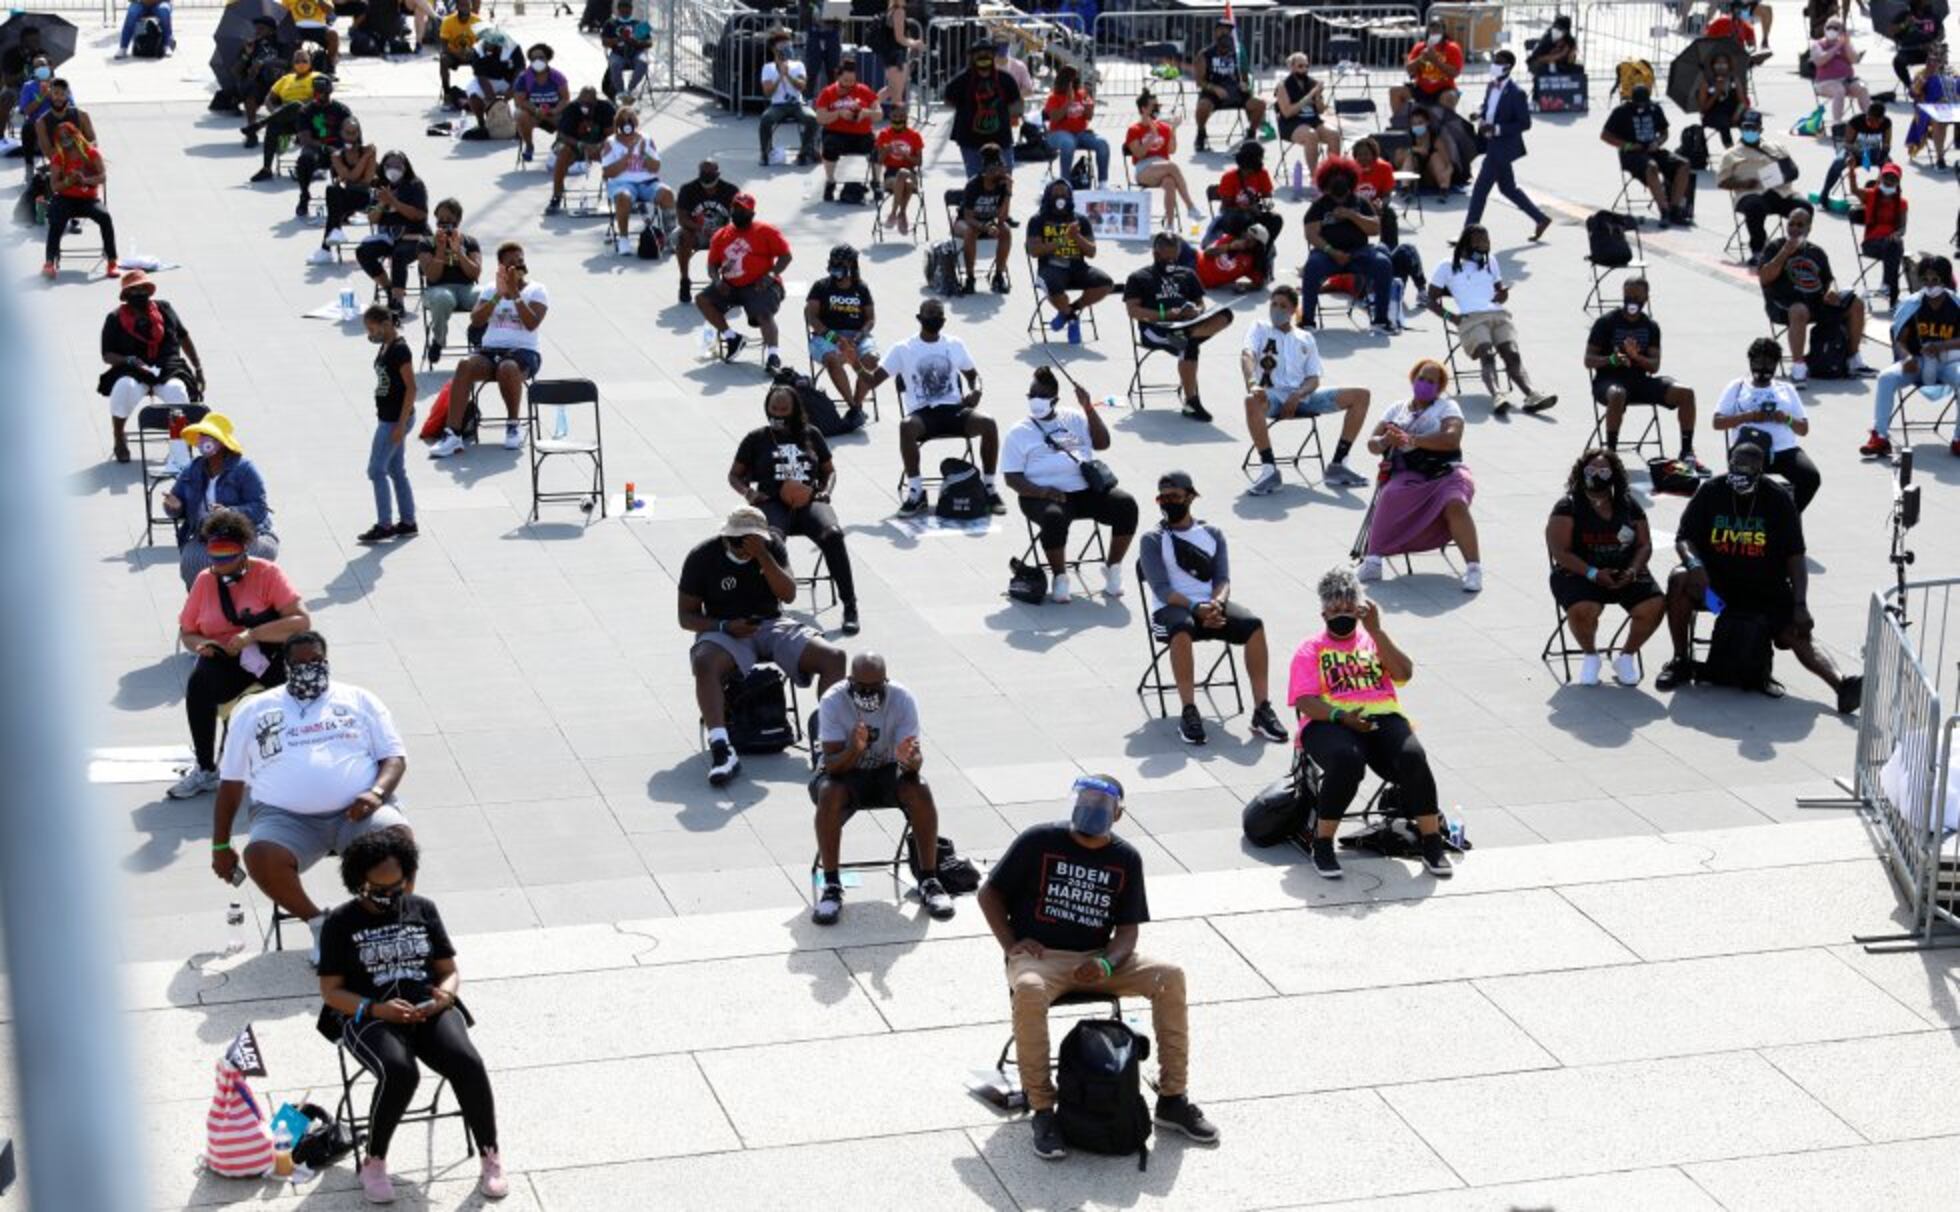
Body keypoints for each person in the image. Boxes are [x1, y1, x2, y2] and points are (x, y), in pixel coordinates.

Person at [977, 775, 1219, 1160]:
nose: (1089, 808)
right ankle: (1043, 1109)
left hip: (1098, 957)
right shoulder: (1039, 840)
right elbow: (989, 892)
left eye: (1100, 803)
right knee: (1029, 990)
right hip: (1041, 957)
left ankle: (1173, 1098)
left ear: (1118, 814)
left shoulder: (1125, 858)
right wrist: (1010, 946)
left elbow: (1127, 933)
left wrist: (1106, 963)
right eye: (1083, 799)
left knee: (1169, 976)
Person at [314, 831, 508, 1203]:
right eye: (378, 890)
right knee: (401, 1071)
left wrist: (445, 995)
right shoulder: (341, 922)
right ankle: (373, 1161)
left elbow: (448, 969)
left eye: (397, 887)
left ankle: (490, 1154)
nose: (389, 897)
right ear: (359, 884)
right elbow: (331, 992)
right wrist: (377, 1009)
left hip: (426, 1006)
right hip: (366, 1013)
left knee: (467, 1061)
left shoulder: (423, 908)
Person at [1656, 432, 1864, 713]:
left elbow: (1795, 556)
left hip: (1764, 597)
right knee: (1679, 578)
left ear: (1761, 469)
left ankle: (1843, 686)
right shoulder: (1712, 491)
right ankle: (1681, 660)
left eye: (1747, 468)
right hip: (1719, 599)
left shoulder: (1778, 499)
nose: (1739, 473)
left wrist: (1801, 604)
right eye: (1735, 465)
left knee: (1795, 632)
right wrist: (1694, 564)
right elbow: (1684, 537)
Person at [1290, 566, 1455, 880]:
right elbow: (1304, 701)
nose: (1342, 615)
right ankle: (1322, 843)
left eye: (1349, 609)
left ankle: (1432, 842)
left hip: (1383, 718)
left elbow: (1404, 674)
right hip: (1330, 722)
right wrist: (1342, 717)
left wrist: (1377, 631)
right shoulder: (1310, 649)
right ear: (1323, 612)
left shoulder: (1372, 641)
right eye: (1335, 610)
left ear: (1360, 609)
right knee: (1347, 760)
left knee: (1412, 758)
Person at [678, 507, 846, 786]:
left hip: (771, 624)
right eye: (739, 542)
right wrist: (724, 626)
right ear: (726, 538)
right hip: (726, 628)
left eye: (751, 542)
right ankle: (722, 748)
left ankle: (826, 739)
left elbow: (789, 594)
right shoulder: (702, 557)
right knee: (704, 662)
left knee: (834, 657)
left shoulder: (770, 548)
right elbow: (686, 617)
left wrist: (763, 555)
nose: (744, 549)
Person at [1141, 472, 1291, 745]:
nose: (1168, 503)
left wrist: (1217, 604)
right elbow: (1161, 589)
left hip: (1210, 606)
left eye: (1174, 496)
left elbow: (1222, 579)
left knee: (1254, 625)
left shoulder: (1212, 534)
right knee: (1182, 627)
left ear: (1190, 496)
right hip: (1171, 609)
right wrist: (1196, 607)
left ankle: (1262, 709)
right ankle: (1189, 711)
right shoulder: (1152, 539)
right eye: (1162, 498)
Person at [168, 509, 307, 799]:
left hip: (269, 659)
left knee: (283, 704)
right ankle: (206, 768)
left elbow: (301, 622)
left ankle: (290, 767)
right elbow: (187, 631)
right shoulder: (205, 581)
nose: (220, 563)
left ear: (244, 550)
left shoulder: (268, 574)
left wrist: (252, 635)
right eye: (214, 555)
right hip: (225, 659)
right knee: (198, 685)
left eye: (227, 555)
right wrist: (200, 646)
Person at [809, 652, 952, 924]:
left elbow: (914, 760)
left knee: (920, 789)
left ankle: (930, 881)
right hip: (844, 773)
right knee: (829, 793)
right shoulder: (832, 701)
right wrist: (855, 748)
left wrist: (911, 761)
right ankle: (831, 886)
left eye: (874, 688)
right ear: (849, 680)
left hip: (887, 771)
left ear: (885, 681)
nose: (867, 693)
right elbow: (832, 765)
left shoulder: (902, 699)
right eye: (861, 688)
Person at [729, 382, 861, 633]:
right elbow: (734, 475)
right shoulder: (756, 438)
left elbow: (829, 471)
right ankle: (769, 603)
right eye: (774, 408)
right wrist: (749, 492)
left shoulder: (811, 434)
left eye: (783, 409)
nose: (778, 414)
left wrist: (825, 492)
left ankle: (850, 605)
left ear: (794, 409)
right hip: (772, 501)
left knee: (833, 534)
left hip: (808, 501)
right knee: (770, 541)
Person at [1001, 369, 1136, 603]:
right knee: (1053, 518)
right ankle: (1060, 577)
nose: (1036, 400)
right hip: (1042, 496)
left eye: (1042, 396)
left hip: (1084, 491)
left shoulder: (1073, 418)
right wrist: (1043, 491)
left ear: (1055, 399)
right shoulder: (1018, 432)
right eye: (1032, 394)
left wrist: (1088, 408)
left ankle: (1113, 568)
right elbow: (1011, 478)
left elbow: (1103, 443)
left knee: (1126, 504)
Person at [865, 299, 1005, 516]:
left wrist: (976, 391)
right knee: (906, 426)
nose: (934, 319)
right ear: (919, 318)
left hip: (954, 410)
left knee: (989, 423)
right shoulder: (903, 349)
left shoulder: (954, 344)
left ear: (944, 321)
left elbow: (973, 376)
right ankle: (916, 492)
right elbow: (872, 381)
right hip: (924, 415)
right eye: (930, 314)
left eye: (938, 315)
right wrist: (855, 364)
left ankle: (989, 488)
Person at [1358, 360, 1483, 593]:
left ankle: (1474, 569)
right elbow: (1372, 444)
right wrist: (1387, 440)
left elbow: (1451, 438)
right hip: (1409, 472)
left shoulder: (1447, 408)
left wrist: (1412, 440)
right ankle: (1373, 560)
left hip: (1445, 471)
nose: (1424, 384)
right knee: (1389, 495)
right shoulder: (1397, 409)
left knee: (1455, 503)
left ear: (1439, 387)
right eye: (1421, 378)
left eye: (1431, 381)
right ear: (1413, 379)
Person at [1546, 449, 1665, 686]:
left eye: (1603, 470)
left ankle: (1626, 656)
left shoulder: (1629, 505)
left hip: (1624, 572)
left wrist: (1631, 571)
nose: (1596, 474)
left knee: (1655, 605)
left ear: (1614, 475)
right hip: (1581, 573)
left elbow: (1644, 545)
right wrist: (1593, 573)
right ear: (1581, 472)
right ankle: (1591, 655)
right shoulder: (1568, 506)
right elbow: (1561, 552)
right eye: (1591, 469)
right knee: (1584, 610)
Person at [1242, 286, 1372, 494]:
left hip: (1303, 397)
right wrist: (1252, 382)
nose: (1276, 309)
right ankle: (1269, 470)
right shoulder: (1259, 327)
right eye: (1274, 304)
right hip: (1271, 397)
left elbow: (1313, 378)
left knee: (1361, 395)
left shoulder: (1305, 338)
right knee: (1251, 400)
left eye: (1283, 306)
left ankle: (1338, 465)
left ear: (1293, 310)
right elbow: (1247, 354)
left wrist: (1298, 394)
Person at [430, 242, 548, 457]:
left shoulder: (537, 290)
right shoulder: (490, 289)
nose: (518, 266)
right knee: (465, 365)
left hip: (524, 352)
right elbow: (476, 320)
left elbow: (532, 323)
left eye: (520, 261)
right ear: (502, 267)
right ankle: (452, 434)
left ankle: (513, 425)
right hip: (490, 350)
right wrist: (498, 296)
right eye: (511, 263)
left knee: (508, 368)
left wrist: (516, 296)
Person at [1428, 226, 1557, 414]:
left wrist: (1502, 294)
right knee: (1487, 354)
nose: (1484, 246)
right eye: (1479, 241)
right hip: (1471, 319)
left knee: (1512, 354)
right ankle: (1497, 395)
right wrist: (1452, 317)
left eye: (1486, 241)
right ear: (1466, 243)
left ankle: (1531, 395)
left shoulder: (1491, 262)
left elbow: (1500, 294)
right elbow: (1430, 300)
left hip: (1498, 315)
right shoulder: (1446, 266)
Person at [1585, 277, 1704, 466]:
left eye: (1636, 296)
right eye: (1628, 296)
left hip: (1639, 382)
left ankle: (1687, 451)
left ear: (1646, 298)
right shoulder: (1606, 322)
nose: (1631, 301)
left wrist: (1636, 357)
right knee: (1617, 393)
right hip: (1608, 383)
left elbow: (1654, 366)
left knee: (1686, 393)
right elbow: (1588, 360)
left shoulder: (1651, 326)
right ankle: (1611, 454)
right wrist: (1612, 360)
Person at [1123, 229, 1233, 422]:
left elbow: (1200, 303)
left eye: (1175, 259)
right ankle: (1192, 403)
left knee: (1225, 315)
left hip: (1186, 324)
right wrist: (1165, 314)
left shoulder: (1187, 274)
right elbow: (1133, 311)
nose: (1172, 263)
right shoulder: (1139, 277)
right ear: (1156, 254)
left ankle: (1188, 334)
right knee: (1189, 345)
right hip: (1156, 329)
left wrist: (1196, 312)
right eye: (1167, 260)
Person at [1758, 205, 1874, 384]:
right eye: (1792, 224)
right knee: (1799, 310)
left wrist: (1830, 293)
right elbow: (1764, 278)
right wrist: (1784, 253)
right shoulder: (1775, 247)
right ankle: (1798, 368)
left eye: (1800, 225)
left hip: (1816, 303)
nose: (1795, 229)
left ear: (1809, 228)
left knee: (1856, 304)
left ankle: (1853, 359)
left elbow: (1827, 281)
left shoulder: (1816, 252)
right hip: (1784, 305)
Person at [97, 270, 202, 463]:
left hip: (167, 367)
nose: (139, 294)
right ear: (126, 295)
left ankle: (179, 446)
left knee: (178, 391)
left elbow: (183, 336)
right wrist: (127, 360)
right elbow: (107, 355)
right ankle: (119, 437)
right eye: (134, 291)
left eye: (143, 289)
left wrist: (198, 368)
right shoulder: (114, 318)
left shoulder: (165, 309)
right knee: (124, 387)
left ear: (149, 291)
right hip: (133, 368)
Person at [165, 414, 279, 588]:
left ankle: (241, 604)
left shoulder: (244, 469)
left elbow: (259, 508)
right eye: (201, 436)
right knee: (192, 562)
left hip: (246, 534)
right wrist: (174, 507)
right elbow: (176, 503)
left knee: (230, 562)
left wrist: (229, 514)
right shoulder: (192, 469)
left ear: (222, 442)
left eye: (209, 437)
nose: (203, 441)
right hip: (207, 535)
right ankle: (203, 605)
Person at [1866, 255, 1960, 458]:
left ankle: (1958, 439)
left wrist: (1942, 346)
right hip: (1917, 362)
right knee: (1886, 378)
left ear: (1944, 280)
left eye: (1935, 280)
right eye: (1925, 279)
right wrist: (1907, 357)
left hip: (1948, 362)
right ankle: (1879, 437)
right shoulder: (1912, 304)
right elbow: (1899, 340)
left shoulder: (1956, 305)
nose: (1929, 284)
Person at [1713, 337, 1819, 510]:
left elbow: (1804, 429)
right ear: (1751, 361)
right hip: (1748, 450)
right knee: (1750, 486)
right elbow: (1717, 423)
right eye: (1758, 361)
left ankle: (1790, 515)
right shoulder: (1737, 386)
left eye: (1769, 362)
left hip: (1784, 450)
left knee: (1811, 477)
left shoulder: (1786, 389)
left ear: (1776, 364)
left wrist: (1786, 418)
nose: (1763, 367)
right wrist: (1748, 416)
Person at [1299, 155, 1396, 334]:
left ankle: (1381, 320)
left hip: (1359, 252)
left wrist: (1352, 215)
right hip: (1328, 254)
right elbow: (1310, 233)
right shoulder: (1319, 206)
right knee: (1312, 266)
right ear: (1326, 183)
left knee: (1383, 263)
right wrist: (1331, 251)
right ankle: (1307, 321)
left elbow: (1375, 229)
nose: (1339, 181)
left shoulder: (1360, 202)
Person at [697, 191, 791, 370]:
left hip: (760, 284)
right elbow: (712, 266)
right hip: (730, 285)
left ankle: (773, 356)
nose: (738, 213)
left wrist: (770, 276)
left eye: (743, 210)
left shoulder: (766, 231)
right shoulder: (721, 235)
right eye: (736, 209)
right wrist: (717, 281)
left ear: (752, 214)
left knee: (764, 314)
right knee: (702, 300)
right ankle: (732, 337)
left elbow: (786, 256)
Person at [1465, 50, 1552, 238]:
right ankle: (1541, 218)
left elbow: (1524, 123)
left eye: (1499, 61)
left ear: (1508, 67)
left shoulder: (1517, 93)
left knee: (1480, 190)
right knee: (1507, 189)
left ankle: (1468, 233)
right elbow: (1489, 107)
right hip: (1491, 144)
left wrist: (1497, 129)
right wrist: (1479, 115)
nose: (1494, 64)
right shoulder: (1491, 86)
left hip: (1502, 147)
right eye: (1494, 60)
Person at [359, 305, 418, 543]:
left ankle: (384, 524)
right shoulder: (386, 347)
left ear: (385, 325)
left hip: (394, 420)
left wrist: (401, 426)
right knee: (395, 469)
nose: (369, 334)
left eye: (372, 329)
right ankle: (407, 521)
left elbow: (412, 388)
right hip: (390, 418)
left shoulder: (400, 350)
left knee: (376, 470)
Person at [1029, 179, 1113, 345]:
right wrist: (1063, 239)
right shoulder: (1038, 220)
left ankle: (1069, 311)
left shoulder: (1080, 220)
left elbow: (1091, 252)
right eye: (1056, 193)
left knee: (1106, 283)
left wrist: (1076, 237)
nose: (1060, 196)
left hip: (1077, 267)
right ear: (1048, 196)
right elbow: (1034, 251)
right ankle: (1073, 320)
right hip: (1050, 267)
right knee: (1054, 286)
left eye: (1064, 193)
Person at [1601, 81, 1693, 226]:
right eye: (1639, 104)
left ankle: (1675, 209)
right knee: (1651, 166)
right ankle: (1664, 211)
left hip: (1653, 149)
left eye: (1644, 103)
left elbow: (1664, 132)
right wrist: (1628, 145)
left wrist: (1658, 142)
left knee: (1684, 164)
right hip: (1632, 153)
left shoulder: (1655, 109)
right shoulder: (1621, 112)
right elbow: (1605, 136)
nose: (1642, 107)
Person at [1717, 110, 1802, 263]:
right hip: (1750, 193)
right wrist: (1743, 183)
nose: (1750, 131)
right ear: (1741, 129)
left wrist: (1784, 176)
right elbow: (1721, 182)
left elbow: (1793, 169)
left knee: (1803, 208)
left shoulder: (1776, 146)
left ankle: (1795, 246)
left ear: (1760, 130)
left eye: (1753, 128)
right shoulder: (1730, 154)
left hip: (1780, 191)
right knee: (1754, 207)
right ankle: (1759, 251)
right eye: (1746, 128)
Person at [1352, 136, 1428, 310]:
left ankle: (1422, 290)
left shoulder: (1384, 168)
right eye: (1360, 155)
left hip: (1378, 208)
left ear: (1374, 155)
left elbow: (1387, 194)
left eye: (1367, 154)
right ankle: (1372, 295)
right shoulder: (1350, 171)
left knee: (1391, 218)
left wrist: (1381, 205)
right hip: (1356, 214)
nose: (1364, 158)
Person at [805, 244, 878, 419]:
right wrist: (835, 338)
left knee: (872, 359)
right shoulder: (821, 287)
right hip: (826, 336)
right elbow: (812, 318)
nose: (835, 267)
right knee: (832, 359)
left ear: (851, 266)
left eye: (840, 264)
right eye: (833, 263)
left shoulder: (861, 288)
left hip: (856, 335)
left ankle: (858, 402)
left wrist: (859, 337)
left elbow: (870, 319)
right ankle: (853, 407)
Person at [354, 150, 428, 317]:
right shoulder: (379, 187)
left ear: (405, 167)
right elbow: (373, 218)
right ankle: (388, 289)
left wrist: (394, 201)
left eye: (397, 165)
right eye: (389, 165)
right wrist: (382, 202)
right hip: (388, 237)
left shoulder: (415, 185)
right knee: (363, 252)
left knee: (399, 254)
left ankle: (398, 301)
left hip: (413, 235)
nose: (393, 169)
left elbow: (419, 214)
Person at [41, 123, 116, 281]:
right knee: (56, 220)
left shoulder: (91, 153)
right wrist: (68, 182)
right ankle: (49, 262)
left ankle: (112, 261)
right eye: (61, 138)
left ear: (76, 134)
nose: (65, 140)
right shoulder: (58, 158)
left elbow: (103, 177)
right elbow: (55, 187)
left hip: (88, 199)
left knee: (105, 217)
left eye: (68, 135)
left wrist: (85, 180)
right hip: (65, 199)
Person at [600, 107, 678, 257]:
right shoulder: (610, 143)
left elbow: (656, 167)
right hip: (622, 184)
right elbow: (607, 172)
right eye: (623, 120)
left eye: (630, 119)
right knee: (624, 197)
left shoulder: (646, 139)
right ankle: (623, 239)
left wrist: (642, 154)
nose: (627, 123)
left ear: (635, 122)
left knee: (667, 193)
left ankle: (670, 237)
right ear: (618, 124)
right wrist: (626, 157)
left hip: (647, 183)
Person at [415, 198, 482, 364]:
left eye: (449, 220)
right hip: (437, 290)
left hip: (466, 288)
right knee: (443, 298)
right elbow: (432, 276)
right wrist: (439, 250)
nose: (444, 224)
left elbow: (474, 273)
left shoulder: (470, 242)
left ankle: (479, 335)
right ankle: (438, 341)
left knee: (485, 295)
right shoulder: (425, 243)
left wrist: (459, 252)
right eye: (440, 219)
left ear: (457, 221)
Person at [1124, 90, 1204, 225]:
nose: (1157, 109)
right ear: (1143, 109)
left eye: (1158, 106)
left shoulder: (1163, 127)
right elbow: (1138, 154)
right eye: (1153, 106)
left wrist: (1173, 130)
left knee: (1170, 182)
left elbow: (1171, 150)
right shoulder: (1134, 130)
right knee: (1172, 167)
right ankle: (1190, 206)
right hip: (1144, 169)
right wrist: (1152, 137)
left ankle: (1170, 225)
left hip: (1163, 166)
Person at [943, 43, 1020, 177]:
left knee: (1005, 177)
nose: (983, 56)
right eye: (978, 53)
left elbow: (1016, 101)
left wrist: (1015, 116)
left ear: (993, 56)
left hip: (1001, 139)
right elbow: (948, 99)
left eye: (987, 52)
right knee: (975, 179)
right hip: (970, 140)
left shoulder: (1005, 78)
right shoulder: (961, 80)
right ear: (972, 57)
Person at [243, 48, 323, 176]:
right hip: (288, 118)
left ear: (310, 62)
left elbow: (319, 98)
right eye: (297, 61)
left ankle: (259, 124)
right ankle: (266, 169)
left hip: (309, 118)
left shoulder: (317, 77)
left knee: (296, 105)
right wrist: (276, 111)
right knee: (273, 126)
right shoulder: (286, 79)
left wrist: (301, 104)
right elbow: (269, 98)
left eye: (304, 60)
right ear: (293, 64)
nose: (301, 63)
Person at [1190, 19, 1265, 153]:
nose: (1225, 33)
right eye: (1222, 30)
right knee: (1202, 106)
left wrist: (1245, 85)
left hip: (1235, 92)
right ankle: (1201, 133)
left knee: (1260, 104)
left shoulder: (1238, 54)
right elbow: (1199, 82)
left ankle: (1251, 134)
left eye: (1228, 30)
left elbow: (1245, 77)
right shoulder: (1205, 54)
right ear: (1215, 32)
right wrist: (1215, 88)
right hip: (1213, 92)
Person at [952, 144, 1016, 295]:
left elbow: (1002, 218)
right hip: (966, 222)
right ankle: (970, 278)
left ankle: (999, 276)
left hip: (989, 222)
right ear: (988, 171)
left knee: (1006, 230)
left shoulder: (1001, 186)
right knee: (971, 232)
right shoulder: (974, 185)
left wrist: (1008, 192)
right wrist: (986, 227)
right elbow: (968, 217)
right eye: (999, 170)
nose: (1003, 173)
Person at [544, 85, 616, 217]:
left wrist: (601, 146)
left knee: (616, 155)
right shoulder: (571, 109)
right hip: (575, 147)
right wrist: (580, 144)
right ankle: (556, 196)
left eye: (588, 104)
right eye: (582, 103)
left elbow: (613, 134)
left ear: (595, 101)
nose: (585, 106)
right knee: (563, 154)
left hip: (599, 146)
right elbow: (562, 135)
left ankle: (621, 195)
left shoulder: (605, 108)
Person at [309, 116, 374, 263]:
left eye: (354, 133)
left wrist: (362, 160)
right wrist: (364, 159)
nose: (351, 137)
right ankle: (334, 234)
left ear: (359, 133)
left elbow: (366, 181)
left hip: (364, 198)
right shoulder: (337, 155)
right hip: (345, 198)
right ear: (341, 133)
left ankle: (328, 244)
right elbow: (349, 176)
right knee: (332, 190)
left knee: (335, 205)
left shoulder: (368, 151)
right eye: (347, 133)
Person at [288, 75, 354, 218]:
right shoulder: (305, 111)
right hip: (317, 149)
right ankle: (304, 196)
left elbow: (353, 135)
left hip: (338, 149)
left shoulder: (342, 110)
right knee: (304, 160)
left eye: (322, 92)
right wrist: (325, 147)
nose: (319, 95)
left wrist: (346, 151)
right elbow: (306, 139)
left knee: (349, 160)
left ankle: (347, 201)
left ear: (329, 91)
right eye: (316, 91)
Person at [1212, 141, 1282, 276]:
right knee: (1246, 220)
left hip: (1254, 215)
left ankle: (1264, 250)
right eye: (1246, 170)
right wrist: (1247, 209)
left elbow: (1268, 201)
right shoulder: (1229, 177)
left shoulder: (1262, 174)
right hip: (1233, 217)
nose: (1248, 173)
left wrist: (1259, 207)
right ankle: (1258, 260)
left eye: (1251, 170)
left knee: (1276, 219)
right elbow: (1226, 207)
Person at [673, 157, 737, 304]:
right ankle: (684, 280)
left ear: (718, 174)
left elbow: (738, 218)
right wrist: (700, 228)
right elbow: (682, 219)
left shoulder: (731, 190)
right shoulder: (687, 189)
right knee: (682, 237)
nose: (708, 183)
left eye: (711, 175)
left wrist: (723, 231)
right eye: (704, 175)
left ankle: (730, 281)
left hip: (723, 234)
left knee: (738, 241)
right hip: (697, 232)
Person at [813, 59, 877, 201]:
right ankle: (830, 181)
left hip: (861, 135)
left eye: (852, 80)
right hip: (837, 134)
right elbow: (820, 118)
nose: (849, 83)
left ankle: (876, 181)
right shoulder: (828, 92)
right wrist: (838, 113)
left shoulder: (863, 90)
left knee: (878, 147)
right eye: (846, 80)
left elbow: (879, 113)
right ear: (838, 77)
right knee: (829, 146)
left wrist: (866, 113)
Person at [1852, 163, 1908, 310]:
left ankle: (1887, 286)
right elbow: (1854, 190)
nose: (1889, 181)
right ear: (1880, 179)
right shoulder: (1870, 195)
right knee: (1894, 250)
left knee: (1893, 246)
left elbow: (1902, 228)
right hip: (1871, 244)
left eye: (1893, 179)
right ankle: (1892, 294)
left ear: (1898, 182)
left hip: (1891, 243)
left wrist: (1896, 234)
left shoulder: (1902, 203)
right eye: (1886, 178)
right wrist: (1852, 170)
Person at [1042, 65, 1109, 186]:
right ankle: (1065, 182)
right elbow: (1054, 118)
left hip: (1080, 133)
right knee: (1068, 142)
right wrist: (1068, 102)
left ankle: (1103, 183)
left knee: (1102, 143)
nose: (1076, 83)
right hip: (1058, 133)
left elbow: (1088, 117)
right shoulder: (1054, 97)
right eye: (1073, 80)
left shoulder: (1082, 94)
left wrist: (1089, 108)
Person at [758, 30, 818, 167]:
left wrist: (788, 75)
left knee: (812, 118)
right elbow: (767, 93)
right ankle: (765, 152)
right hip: (777, 105)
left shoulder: (798, 65)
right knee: (766, 119)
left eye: (788, 44)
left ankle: (804, 152)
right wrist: (780, 76)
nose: (786, 47)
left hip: (797, 104)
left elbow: (802, 87)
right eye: (782, 45)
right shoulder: (768, 68)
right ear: (774, 48)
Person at [1817, 99, 1890, 206]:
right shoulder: (1856, 121)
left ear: (1881, 120)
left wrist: (1883, 155)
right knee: (1838, 163)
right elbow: (1847, 144)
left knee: (1890, 167)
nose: (1871, 124)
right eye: (1869, 119)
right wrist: (1860, 155)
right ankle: (1824, 193)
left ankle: (1888, 195)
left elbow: (1886, 144)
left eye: (1875, 122)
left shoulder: (1887, 124)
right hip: (1854, 152)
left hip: (1873, 152)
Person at [1275, 52, 1337, 176]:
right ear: (1291, 67)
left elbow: (1320, 110)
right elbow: (1287, 113)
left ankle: (1333, 175)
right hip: (1292, 123)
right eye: (1300, 66)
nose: (1304, 70)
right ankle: (1315, 176)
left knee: (1334, 135)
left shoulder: (1312, 83)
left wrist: (1318, 96)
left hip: (1313, 120)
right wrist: (1309, 96)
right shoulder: (1283, 86)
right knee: (1311, 135)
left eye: (1306, 66)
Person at [1392, 15, 1465, 114]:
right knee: (1395, 90)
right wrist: (1421, 58)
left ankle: (1445, 126)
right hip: (1421, 88)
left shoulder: (1452, 47)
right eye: (1432, 27)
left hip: (1443, 88)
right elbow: (1409, 70)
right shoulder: (1420, 47)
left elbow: (1455, 73)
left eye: (1438, 27)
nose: (1434, 30)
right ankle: (1399, 123)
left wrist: (1436, 61)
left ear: (1443, 30)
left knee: (1449, 97)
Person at [510, 43, 569, 164]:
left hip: (554, 113)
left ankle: (559, 147)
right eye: (533, 58)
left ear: (547, 58)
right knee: (520, 115)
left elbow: (565, 99)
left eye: (541, 57)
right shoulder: (524, 78)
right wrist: (536, 110)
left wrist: (554, 111)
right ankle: (529, 146)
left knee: (570, 117)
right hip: (533, 114)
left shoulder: (557, 77)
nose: (537, 61)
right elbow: (519, 100)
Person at [1904, 42, 1956, 167]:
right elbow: (1913, 93)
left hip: (1953, 108)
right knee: (1939, 121)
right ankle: (1940, 158)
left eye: (1942, 55)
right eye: (1936, 55)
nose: (1940, 58)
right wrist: (1926, 75)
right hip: (1930, 109)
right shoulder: (1922, 73)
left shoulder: (1952, 72)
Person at [873, 106, 924, 235]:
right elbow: (879, 160)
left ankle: (893, 213)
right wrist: (886, 151)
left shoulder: (914, 135)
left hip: (910, 172)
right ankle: (902, 215)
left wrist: (906, 155)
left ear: (906, 118)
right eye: (895, 117)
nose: (898, 120)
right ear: (890, 118)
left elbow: (919, 162)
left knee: (903, 174)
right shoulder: (884, 134)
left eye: (901, 117)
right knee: (902, 179)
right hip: (891, 172)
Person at [1810, 17, 1870, 124]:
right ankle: (1837, 123)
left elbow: (1855, 59)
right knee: (1839, 90)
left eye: (1835, 28)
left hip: (1847, 80)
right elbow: (1819, 60)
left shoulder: (1845, 44)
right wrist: (1836, 47)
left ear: (1841, 30)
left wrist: (1846, 43)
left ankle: (1869, 120)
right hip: (1825, 83)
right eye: (1829, 27)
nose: (1831, 30)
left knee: (1862, 88)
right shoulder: (1818, 44)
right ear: (1825, 29)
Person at [462, 28, 522, 134]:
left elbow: (520, 71)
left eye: (492, 43)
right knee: (473, 95)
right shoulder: (478, 50)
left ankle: (518, 124)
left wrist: (510, 92)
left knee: (522, 90)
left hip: (508, 81)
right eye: (487, 42)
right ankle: (481, 124)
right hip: (486, 80)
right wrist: (492, 100)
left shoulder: (514, 48)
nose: (488, 45)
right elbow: (481, 77)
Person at [868, 0, 920, 111]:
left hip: (891, 57)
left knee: (891, 90)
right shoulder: (899, 12)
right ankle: (898, 126)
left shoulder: (891, 10)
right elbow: (899, 38)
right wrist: (915, 43)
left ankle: (867, 112)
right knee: (897, 96)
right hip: (897, 58)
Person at [1194, 225, 1271, 293]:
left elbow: (1260, 282)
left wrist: (1245, 286)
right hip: (1194, 262)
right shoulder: (1230, 239)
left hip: (1200, 280)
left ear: (1258, 246)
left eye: (1252, 239)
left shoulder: (1251, 262)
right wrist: (1229, 247)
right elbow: (1207, 253)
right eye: (1247, 235)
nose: (1247, 239)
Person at [1887, 0, 1944, 90]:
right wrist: (1905, 24)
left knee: (1939, 56)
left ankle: (1937, 85)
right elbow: (1891, 31)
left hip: (1929, 50)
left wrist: (1933, 43)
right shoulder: (1905, 14)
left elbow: (1941, 34)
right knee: (1898, 62)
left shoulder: (1933, 15)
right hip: (1909, 51)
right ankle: (1912, 88)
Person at [1697, 50, 1748, 149]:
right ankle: (1730, 149)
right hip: (1713, 114)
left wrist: (1737, 114)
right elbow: (1703, 108)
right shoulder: (1706, 83)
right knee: (1723, 122)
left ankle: (1748, 146)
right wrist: (1716, 93)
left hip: (1732, 112)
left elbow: (1742, 102)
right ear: (1713, 66)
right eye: (1718, 63)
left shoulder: (1734, 80)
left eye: (1724, 63)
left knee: (1749, 120)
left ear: (1729, 65)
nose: (1721, 66)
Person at [600, 0, 650, 100]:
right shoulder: (611, 23)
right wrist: (619, 39)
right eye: (622, 10)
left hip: (636, 53)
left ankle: (630, 90)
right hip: (618, 53)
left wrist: (635, 42)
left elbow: (649, 42)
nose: (625, 12)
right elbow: (604, 42)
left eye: (628, 10)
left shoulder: (639, 23)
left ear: (631, 10)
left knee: (643, 62)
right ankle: (620, 92)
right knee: (615, 64)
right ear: (618, 10)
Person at [437, 0, 480, 102]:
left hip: (471, 54)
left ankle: (481, 91)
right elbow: (443, 45)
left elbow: (482, 44)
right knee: (443, 59)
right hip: (453, 54)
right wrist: (456, 53)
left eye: (467, 5)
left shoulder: (478, 21)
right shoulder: (447, 21)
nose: (465, 8)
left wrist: (472, 51)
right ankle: (447, 92)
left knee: (484, 59)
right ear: (457, 7)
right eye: (462, 5)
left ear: (471, 6)